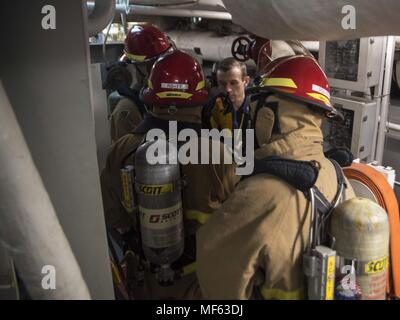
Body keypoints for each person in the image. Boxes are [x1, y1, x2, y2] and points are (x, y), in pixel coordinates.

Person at [196, 41, 355, 299]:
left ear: (268, 115)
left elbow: (217, 282)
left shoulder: (260, 194)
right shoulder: (339, 177)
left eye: (257, 104)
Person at [100, 50, 238, 299]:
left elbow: (111, 215)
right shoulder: (219, 153)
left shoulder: (120, 149)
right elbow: (236, 221)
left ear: (150, 97)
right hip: (200, 282)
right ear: (200, 101)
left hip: (143, 280)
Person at [105, 23, 174, 143]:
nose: (163, 69)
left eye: (165, 61)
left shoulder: (169, 96)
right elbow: (128, 158)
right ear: (137, 67)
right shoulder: (127, 111)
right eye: (154, 64)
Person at [205, 57, 251, 132]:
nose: (228, 89)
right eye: (222, 84)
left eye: (233, 83)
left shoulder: (257, 107)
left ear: (246, 81)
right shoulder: (211, 107)